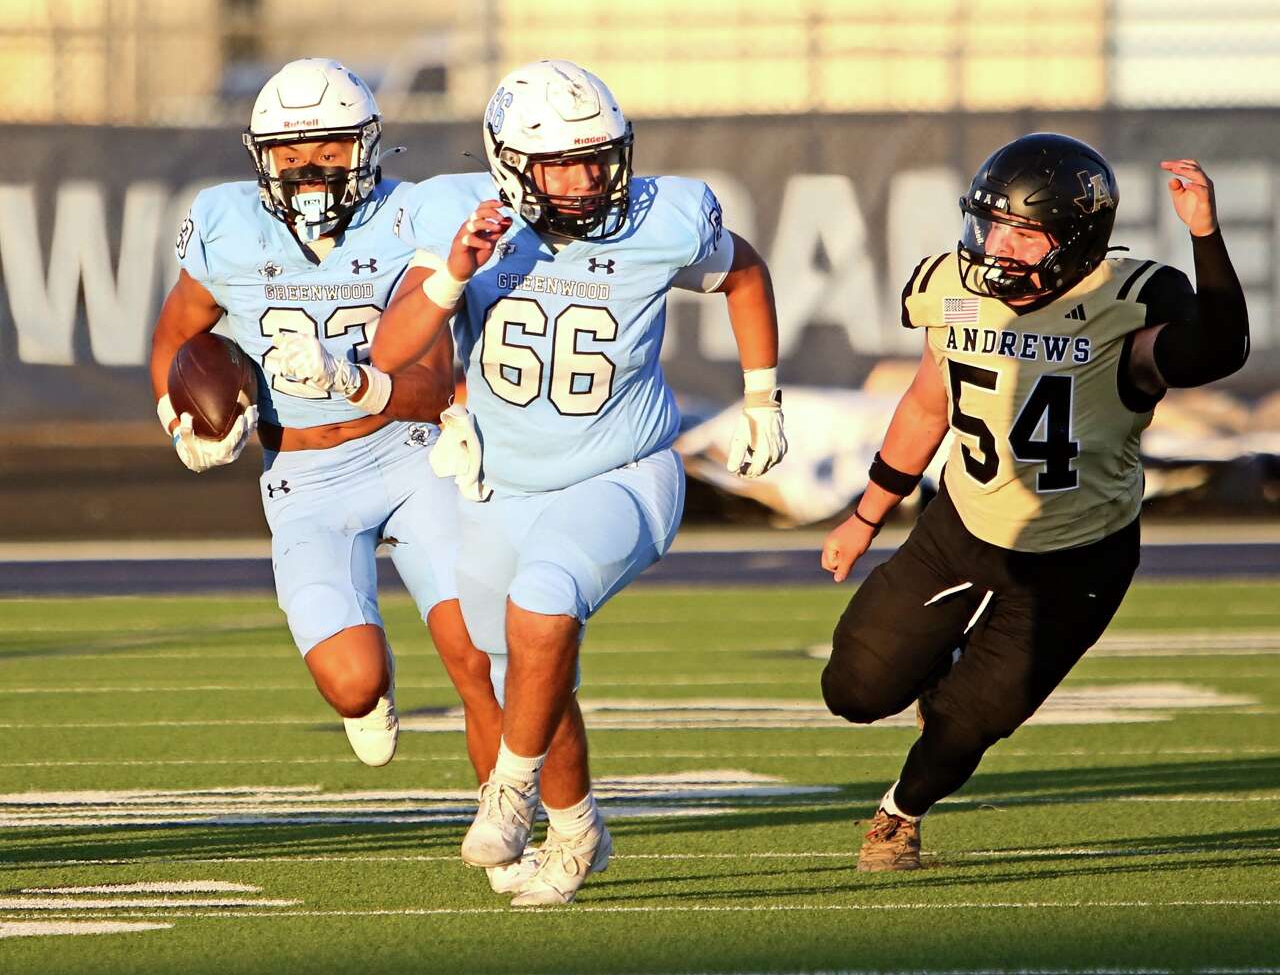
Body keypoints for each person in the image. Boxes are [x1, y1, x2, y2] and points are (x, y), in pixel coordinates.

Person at [371, 59, 786, 905]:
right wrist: (454, 273)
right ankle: (578, 828)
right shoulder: (461, 213)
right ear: (511, 164)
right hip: (502, 483)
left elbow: (742, 271)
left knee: (545, 604)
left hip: (623, 471)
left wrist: (761, 397)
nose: (587, 178)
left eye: (598, 157)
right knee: (524, 670)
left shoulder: (662, 218)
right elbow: (389, 351)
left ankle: (511, 791)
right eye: (563, 162)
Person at [818, 134, 1249, 872]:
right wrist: (866, 515)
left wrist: (1204, 233)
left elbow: (1220, 347)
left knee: (964, 727)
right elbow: (928, 406)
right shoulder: (949, 288)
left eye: (1024, 230)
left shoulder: (1125, 303)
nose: (998, 245)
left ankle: (899, 815)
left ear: (1075, 241)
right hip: (961, 526)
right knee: (853, 691)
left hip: (1077, 556)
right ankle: (939, 659)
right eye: (992, 224)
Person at [148, 58, 503, 790]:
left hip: (412, 456)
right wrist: (181, 419)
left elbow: (432, 382)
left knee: (478, 659)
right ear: (262, 157)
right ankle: (369, 687)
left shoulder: (414, 216)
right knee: (352, 682)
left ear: (367, 148)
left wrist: (348, 379)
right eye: (290, 152)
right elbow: (175, 339)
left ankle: (512, 818)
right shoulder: (227, 223)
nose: (309, 168)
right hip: (303, 479)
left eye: (331, 149)